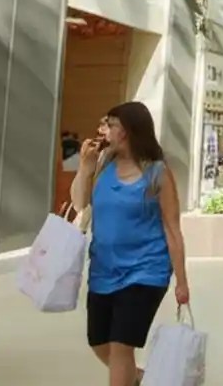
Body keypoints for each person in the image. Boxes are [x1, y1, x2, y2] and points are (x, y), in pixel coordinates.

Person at [71, 101, 187, 386]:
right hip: (103, 270)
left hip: (146, 271)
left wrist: (182, 282)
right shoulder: (102, 164)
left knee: (122, 346)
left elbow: (173, 228)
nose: (104, 130)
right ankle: (136, 379)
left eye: (111, 125)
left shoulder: (157, 173)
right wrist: (84, 168)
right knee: (99, 341)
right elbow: (78, 202)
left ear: (128, 131)